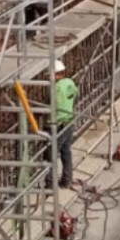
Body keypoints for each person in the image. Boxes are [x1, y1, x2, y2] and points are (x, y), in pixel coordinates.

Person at [53, 61, 78, 189]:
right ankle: (67, 180)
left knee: (50, 156)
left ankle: (49, 185)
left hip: (58, 124)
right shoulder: (70, 82)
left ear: (57, 74)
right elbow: (75, 94)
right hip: (69, 122)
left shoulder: (56, 87)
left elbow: (53, 104)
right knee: (66, 152)